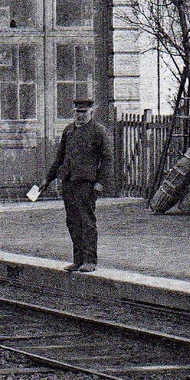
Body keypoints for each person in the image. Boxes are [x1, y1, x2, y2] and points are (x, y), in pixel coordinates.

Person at [43, 97, 112, 273]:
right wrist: (48, 179)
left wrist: (100, 182)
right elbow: (59, 158)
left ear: (91, 112)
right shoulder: (68, 131)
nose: (80, 116)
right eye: (77, 113)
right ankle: (78, 260)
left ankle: (90, 260)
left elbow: (107, 159)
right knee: (72, 221)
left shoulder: (98, 131)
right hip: (69, 182)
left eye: (84, 112)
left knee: (87, 221)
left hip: (86, 184)